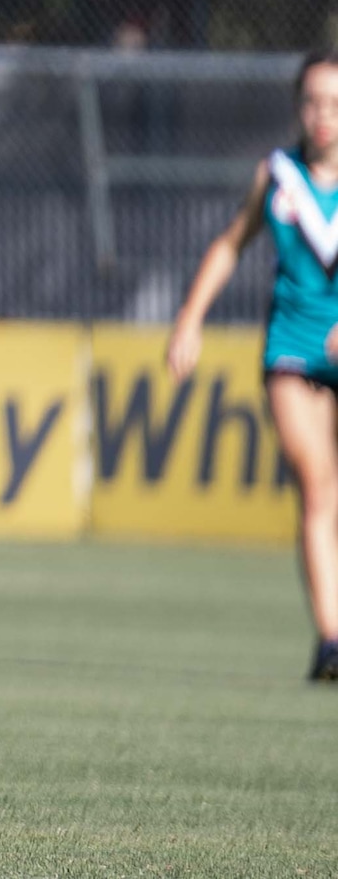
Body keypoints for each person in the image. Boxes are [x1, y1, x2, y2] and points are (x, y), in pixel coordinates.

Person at [162, 48, 338, 681]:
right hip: (293, 347)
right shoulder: (278, 175)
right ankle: (331, 640)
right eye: (312, 102)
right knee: (316, 485)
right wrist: (190, 318)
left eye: (335, 104)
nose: (323, 115)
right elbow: (231, 243)